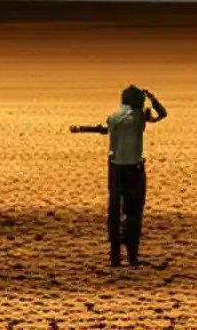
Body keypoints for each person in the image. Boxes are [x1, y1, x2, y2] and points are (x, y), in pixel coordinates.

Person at [69, 84, 167, 267]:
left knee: (114, 211)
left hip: (115, 168)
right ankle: (132, 256)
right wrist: (153, 99)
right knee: (134, 212)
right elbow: (162, 114)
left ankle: (115, 256)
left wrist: (81, 128)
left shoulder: (114, 117)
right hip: (134, 169)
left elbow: (103, 130)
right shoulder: (140, 115)